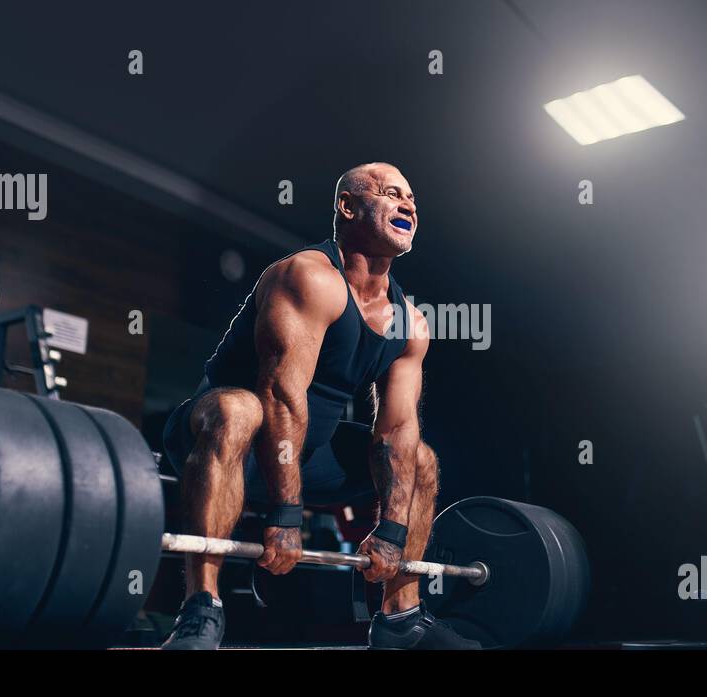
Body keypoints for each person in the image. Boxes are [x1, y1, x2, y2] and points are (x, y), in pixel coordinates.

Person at [159, 162, 479, 650]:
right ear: (348, 207)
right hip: (223, 439)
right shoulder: (307, 277)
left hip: (310, 458)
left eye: (412, 199)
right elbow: (281, 395)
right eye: (391, 193)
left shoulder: (409, 323)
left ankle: (400, 619)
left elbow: (396, 430)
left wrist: (391, 530)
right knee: (240, 409)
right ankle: (201, 609)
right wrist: (287, 516)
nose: (408, 205)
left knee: (422, 459)